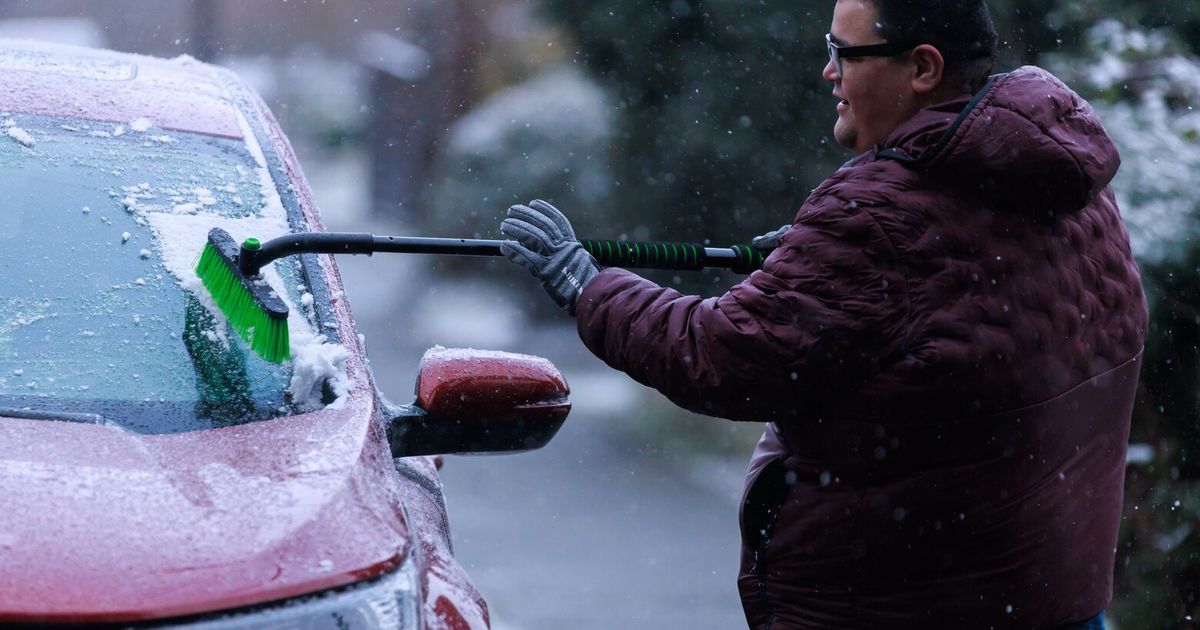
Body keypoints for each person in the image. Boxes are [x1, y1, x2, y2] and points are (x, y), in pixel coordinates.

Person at [499, 0, 1146, 628]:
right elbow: (968, 303)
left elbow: (716, 356)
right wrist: (816, 268)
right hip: (1056, 601)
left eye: (845, 52)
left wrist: (584, 286)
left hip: (908, 608)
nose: (828, 72)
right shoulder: (1069, 184)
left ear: (923, 68)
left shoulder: (880, 215)